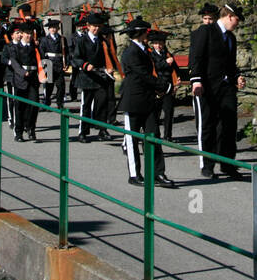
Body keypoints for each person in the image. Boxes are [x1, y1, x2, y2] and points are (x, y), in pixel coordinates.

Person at [188, 2, 246, 178]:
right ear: (229, 16)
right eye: (237, 19)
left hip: (226, 87)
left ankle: (228, 164)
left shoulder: (231, 38)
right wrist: (196, 80)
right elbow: (196, 57)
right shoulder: (206, 31)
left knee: (229, 125)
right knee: (208, 126)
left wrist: (237, 76)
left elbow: (230, 63)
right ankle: (207, 164)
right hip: (208, 87)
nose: (237, 24)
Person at [118, 17, 176, 188]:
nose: (148, 36)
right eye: (146, 33)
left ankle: (158, 172)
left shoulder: (145, 50)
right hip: (133, 100)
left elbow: (156, 67)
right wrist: (164, 86)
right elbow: (143, 74)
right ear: (141, 34)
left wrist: (163, 84)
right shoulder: (131, 52)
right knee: (132, 139)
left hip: (148, 100)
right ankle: (135, 174)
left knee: (153, 137)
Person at [72, 12, 114, 141]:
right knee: (86, 105)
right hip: (87, 77)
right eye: (93, 26)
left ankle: (102, 129)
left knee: (102, 104)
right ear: (88, 26)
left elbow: (109, 56)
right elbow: (76, 58)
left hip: (101, 76)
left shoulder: (103, 40)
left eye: (98, 26)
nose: (96, 29)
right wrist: (85, 65)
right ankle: (83, 132)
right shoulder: (81, 40)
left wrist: (110, 67)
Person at [5, 21, 41, 141]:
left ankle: (31, 128)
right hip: (20, 79)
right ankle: (18, 132)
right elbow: (14, 62)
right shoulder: (15, 48)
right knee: (19, 107)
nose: (29, 36)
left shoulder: (35, 48)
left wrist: (45, 76)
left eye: (31, 34)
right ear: (22, 34)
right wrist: (22, 72)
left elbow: (41, 61)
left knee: (34, 104)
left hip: (33, 79)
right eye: (27, 34)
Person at [147, 29, 178, 142]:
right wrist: (166, 63)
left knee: (169, 111)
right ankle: (156, 134)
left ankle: (168, 135)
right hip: (157, 86)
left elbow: (175, 69)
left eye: (160, 43)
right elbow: (155, 67)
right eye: (156, 43)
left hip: (168, 85)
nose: (158, 45)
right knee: (155, 112)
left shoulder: (168, 53)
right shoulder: (151, 55)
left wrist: (176, 80)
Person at [39, 17, 70, 111]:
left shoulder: (62, 39)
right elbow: (42, 52)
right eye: (51, 28)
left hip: (59, 63)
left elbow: (66, 52)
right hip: (49, 62)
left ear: (58, 28)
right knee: (49, 85)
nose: (53, 29)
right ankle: (47, 102)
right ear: (48, 29)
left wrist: (67, 63)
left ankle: (60, 103)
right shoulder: (45, 39)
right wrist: (44, 63)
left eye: (55, 27)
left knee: (61, 85)